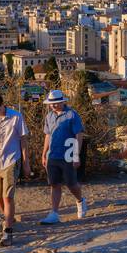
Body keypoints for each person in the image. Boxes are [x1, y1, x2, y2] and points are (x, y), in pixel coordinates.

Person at [0, 90, 32, 244]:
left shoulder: (16, 117)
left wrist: (26, 163)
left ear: (2, 104)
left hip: (12, 160)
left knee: (8, 196)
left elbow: (23, 141)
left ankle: (8, 231)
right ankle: (9, 218)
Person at [40, 89, 85, 225]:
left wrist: (77, 155)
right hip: (52, 155)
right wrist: (44, 153)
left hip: (68, 154)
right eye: (51, 103)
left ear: (62, 102)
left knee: (72, 184)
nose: (53, 105)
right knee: (54, 184)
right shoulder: (49, 117)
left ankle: (80, 201)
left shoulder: (72, 115)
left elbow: (79, 135)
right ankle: (54, 213)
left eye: (56, 103)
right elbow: (48, 135)